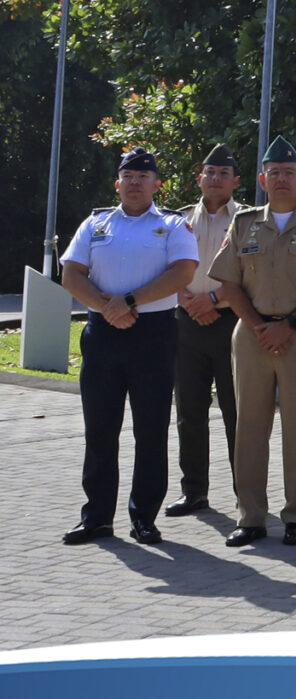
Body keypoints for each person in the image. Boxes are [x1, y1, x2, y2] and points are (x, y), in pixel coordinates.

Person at [209, 136, 296, 547]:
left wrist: (287, 325)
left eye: (289, 173)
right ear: (262, 179)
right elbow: (229, 284)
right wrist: (258, 326)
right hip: (252, 334)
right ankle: (251, 516)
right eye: (274, 173)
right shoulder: (243, 224)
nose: (282, 179)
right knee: (249, 427)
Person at [57, 148, 200, 545]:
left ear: (157, 184)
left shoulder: (173, 225)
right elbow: (71, 274)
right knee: (100, 429)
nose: (135, 182)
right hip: (103, 331)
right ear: (117, 183)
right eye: (128, 176)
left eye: (143, 176)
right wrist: (108, 307)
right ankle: (97, 516)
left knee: (150, 429)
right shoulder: (95, 223)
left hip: (152, 333)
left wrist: (129, 302)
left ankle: (144, 517)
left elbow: (182, 272)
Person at [165, 143, 242, 519]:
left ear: (235, 181)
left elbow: (253, 275)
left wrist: (212, 299)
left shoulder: (247, 219)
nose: (215, 179)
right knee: (189, 410)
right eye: (210, 173)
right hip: (186, 321)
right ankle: (193, 491)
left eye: (223, 174)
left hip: (231, 320)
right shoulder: (178, 220)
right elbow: (165, 266)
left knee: (237, 411)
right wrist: (186, 299)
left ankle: (247, 493)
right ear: (199, 178)